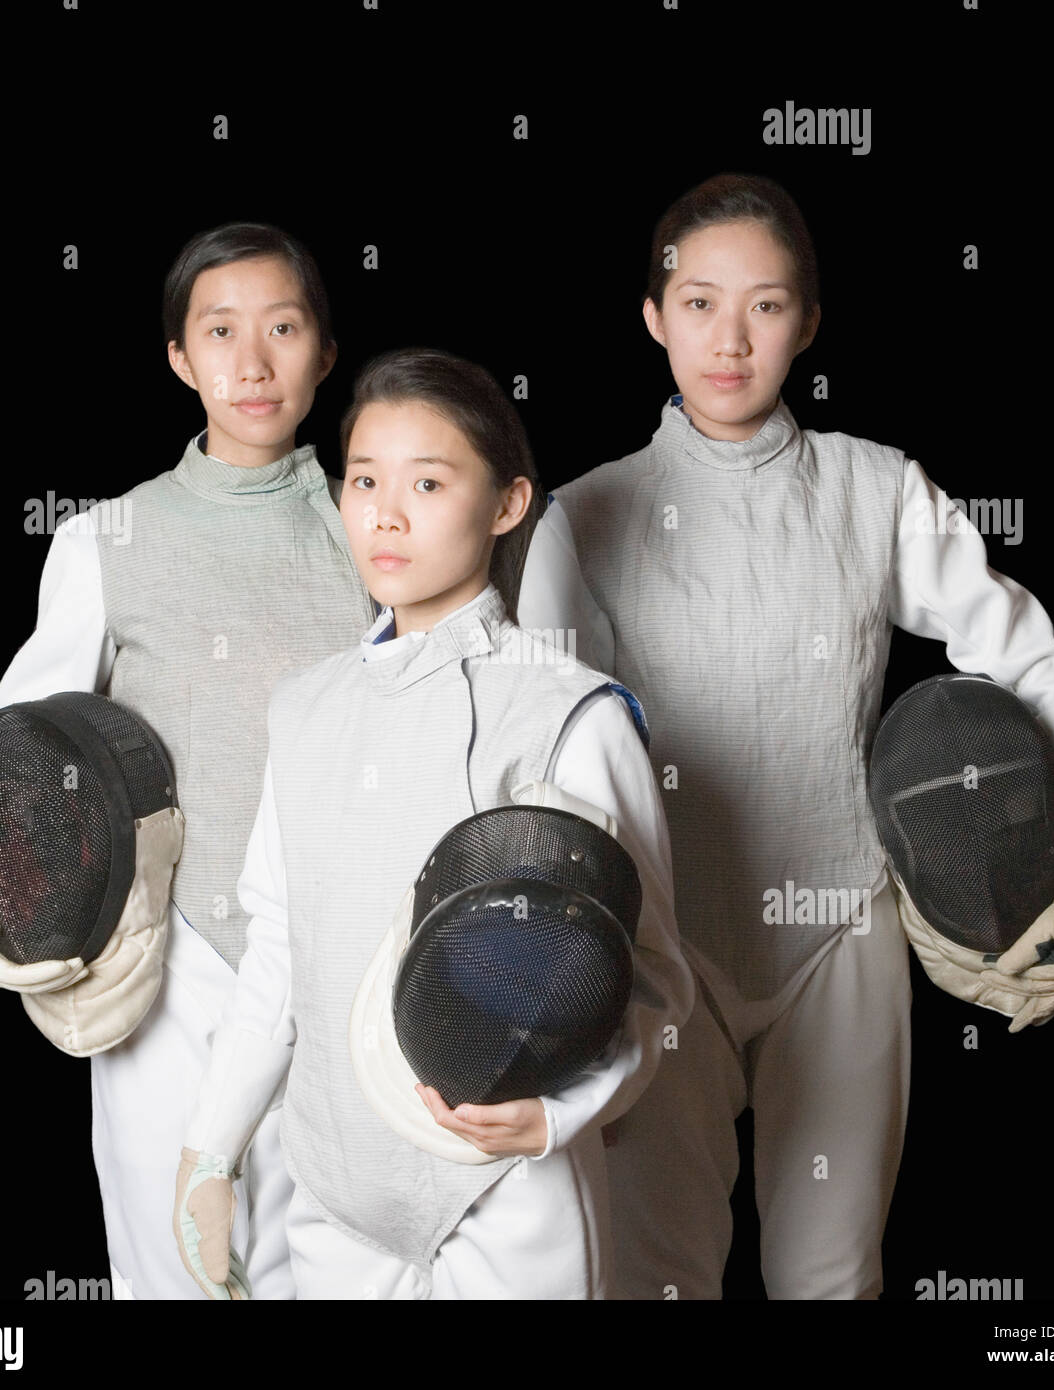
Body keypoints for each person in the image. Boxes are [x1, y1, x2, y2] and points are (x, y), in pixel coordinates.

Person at [516, 173, 1054, 1300]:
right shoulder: (581, 513)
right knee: (653, 1279)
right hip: (661, 946)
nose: (730, 339)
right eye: (699, 304)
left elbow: (1034, 659)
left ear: (807, 320)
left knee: (834, 1279)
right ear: (652, 318)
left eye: (765, 304)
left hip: (839, 930)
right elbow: (535, 749)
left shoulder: (874, 487)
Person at [173, 347, 693, 1300]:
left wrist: (557, 1117)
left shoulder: (574, 712)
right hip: (333, 1199)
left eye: (428, 481)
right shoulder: (306, 709)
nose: (387, 512)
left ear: (507, 504)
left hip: (509, 1199)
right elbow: (282, 956)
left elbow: (657, 979)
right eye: (364, 478)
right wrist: (210, 1149)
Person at [0, 222, 375, 1298]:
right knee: (172, 1271)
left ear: (323, 348)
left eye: (281, 327)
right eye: (220, 331)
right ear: (180, 357)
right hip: (171, 971)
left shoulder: (374, 525)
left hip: (342, 958)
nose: (252, 363)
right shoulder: (106, 539)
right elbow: (15, 752)